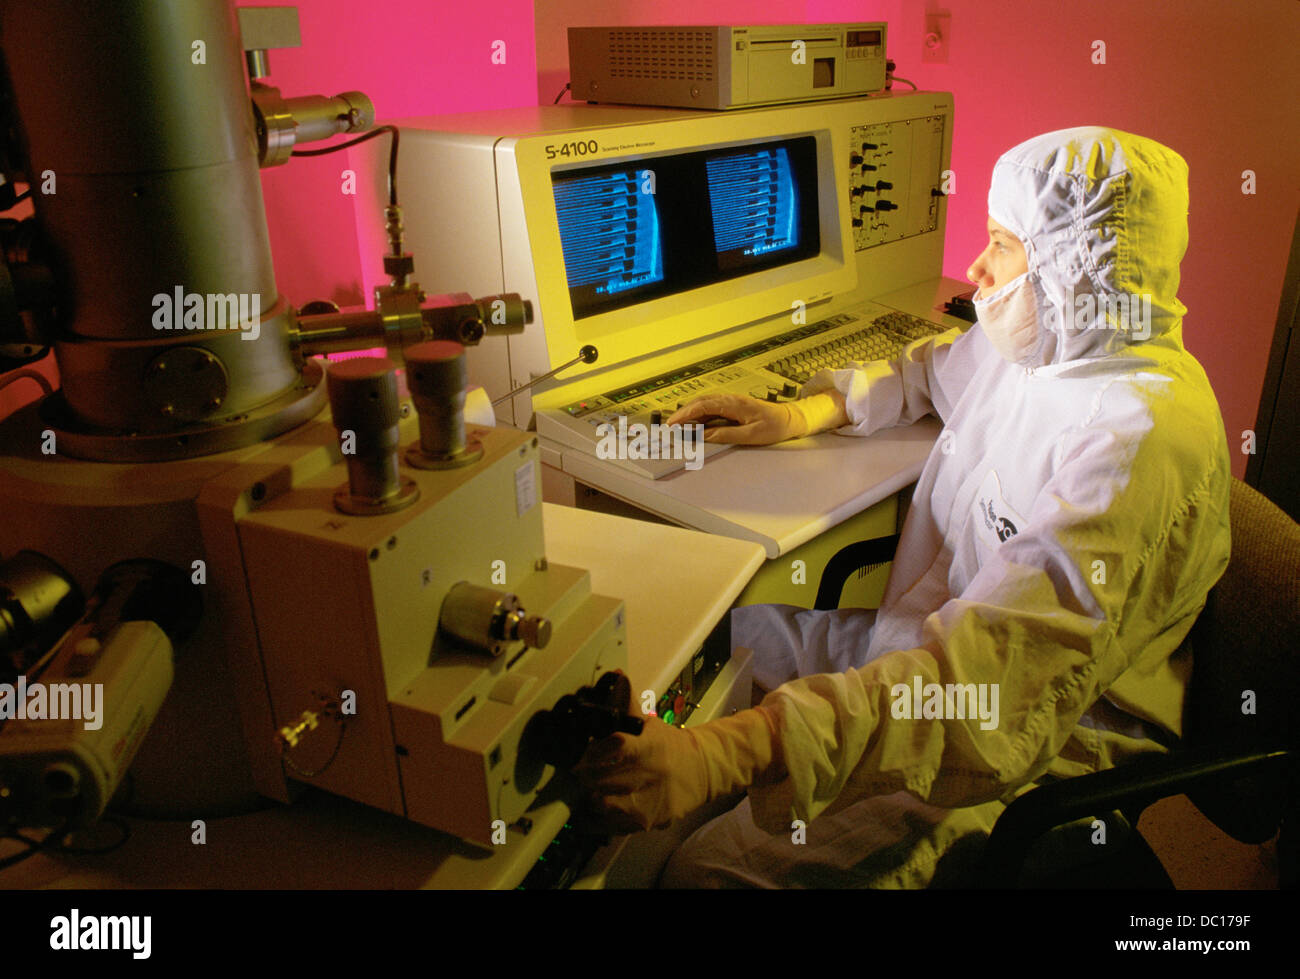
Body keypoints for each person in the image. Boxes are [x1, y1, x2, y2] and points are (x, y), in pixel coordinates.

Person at [574, 127, 1232, 887]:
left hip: (1019, 742)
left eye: (1000, 243)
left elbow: (980, 684)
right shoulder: (1049, 340)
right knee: (712, 638)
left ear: (1077, 267)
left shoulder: (1141, 440)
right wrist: (801, 414)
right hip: (919, 649)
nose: (978, 269)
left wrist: (727, 753)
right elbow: (928, 372)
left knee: (706, 871)